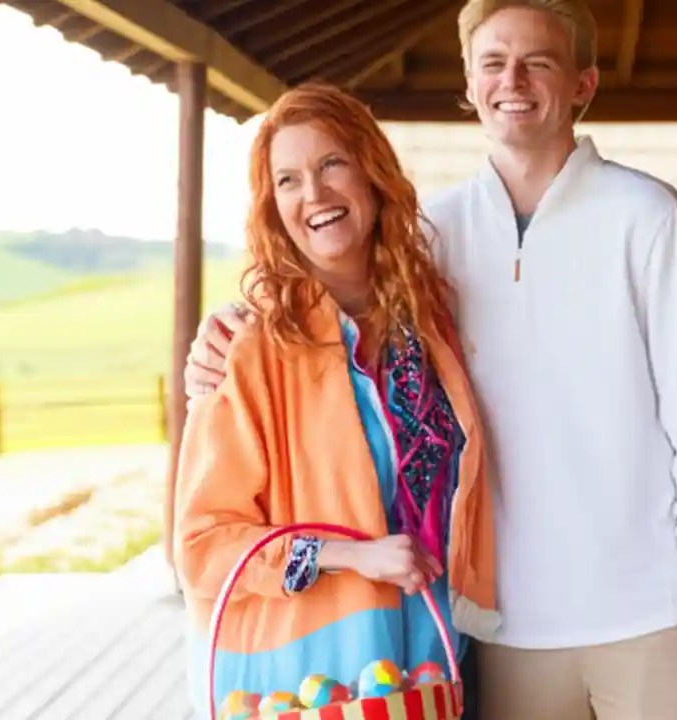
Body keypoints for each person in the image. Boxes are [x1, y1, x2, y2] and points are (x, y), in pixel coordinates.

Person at [185, 1, 677, 718]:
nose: (512, 80)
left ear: (583, 83)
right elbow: (324, 300)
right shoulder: (433, 240)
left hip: (650, 608)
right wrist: (222, 339)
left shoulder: (647, 216)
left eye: (537, 62)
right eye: (493, 63)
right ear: (470, 82)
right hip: (497, 626)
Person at [172, 83, 499, 714]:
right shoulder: (248, 347)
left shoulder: (432, 321)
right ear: (273, 206)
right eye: (288, 180)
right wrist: (347, 555)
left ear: (372, 173)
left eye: (331, 164)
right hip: (307, 680)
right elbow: (202, 546)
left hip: (431, 658)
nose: (314, 194)